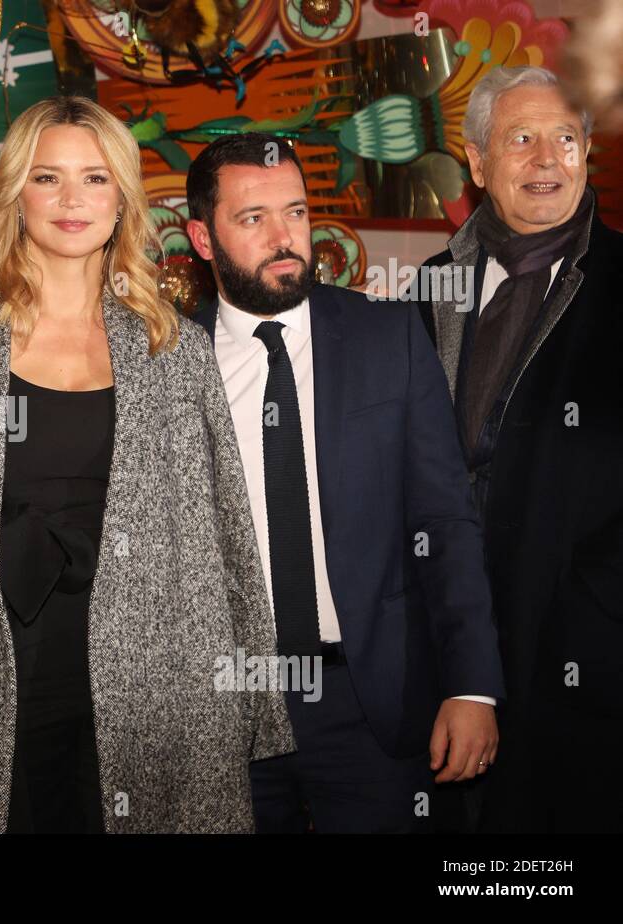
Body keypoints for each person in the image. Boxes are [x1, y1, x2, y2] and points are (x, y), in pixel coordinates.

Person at [0, 96, 294, 834]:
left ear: (122, 197)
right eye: (47, 177)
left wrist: (250, 695)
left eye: (95, 179)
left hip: (151, 693)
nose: (71, 200)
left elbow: (226, 543)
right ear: (13, 194)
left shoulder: (174, 352)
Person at [185, 133, 504, 833]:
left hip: (371, 703)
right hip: (221, 711)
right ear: (202, 238)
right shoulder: (165, 361)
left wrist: (473, 686)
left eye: (295, 212)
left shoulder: (387, 337)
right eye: (253, 219)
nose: (284, 237)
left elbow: (445, 521)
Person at [416, 66, 623, 833]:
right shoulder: (427, 292)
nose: (547, 159)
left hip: (586, 678)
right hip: (439, 668)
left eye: (566, 139)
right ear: (475, 161)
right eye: (522, 138)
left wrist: (585, 615)